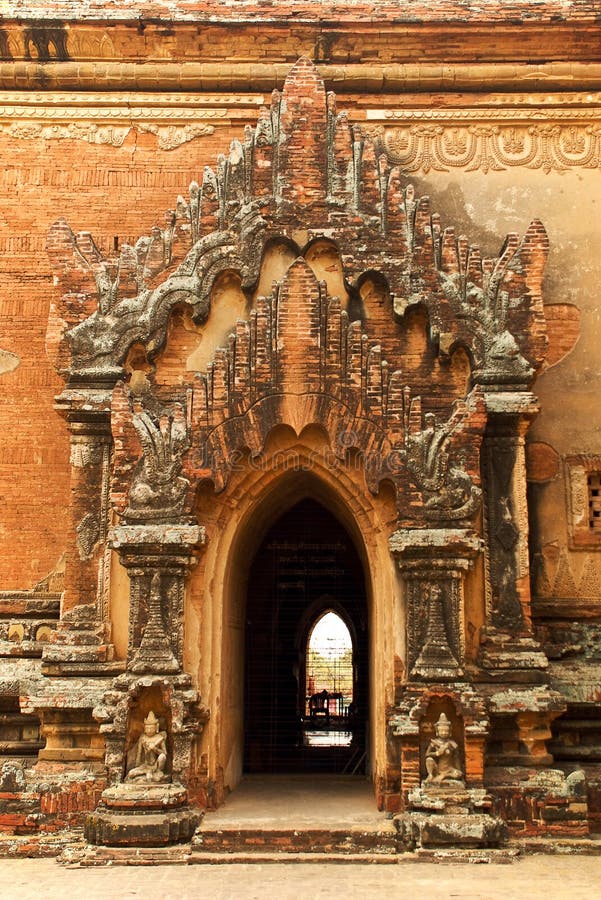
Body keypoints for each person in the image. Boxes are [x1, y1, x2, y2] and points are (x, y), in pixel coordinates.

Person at [126, 710, 169, 783]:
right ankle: (147, 772)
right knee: (131, 773)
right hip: (145, 765)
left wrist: (155, 749)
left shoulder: (160, 737)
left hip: (156, 765)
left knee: (162, 757)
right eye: (147, 728)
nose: (149, 730)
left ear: (156, 728)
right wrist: (137, 766)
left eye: (151, 728)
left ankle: (158, 772)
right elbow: (139, 754)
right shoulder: (143, 738)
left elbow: (164, 753)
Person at [424, 712, 463, 784]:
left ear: (450, 732)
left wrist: (458, 769)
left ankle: (444, 776)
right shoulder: (434, 743)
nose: (444, 733)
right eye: (441, 731)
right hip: (438, 769)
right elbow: (427, 755)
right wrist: (437, 753)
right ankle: (431, 775)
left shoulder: (453, 744)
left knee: (458, 774)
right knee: (429, 760)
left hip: (449, 769)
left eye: (446, 731)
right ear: (437, 732)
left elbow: (456, 758)